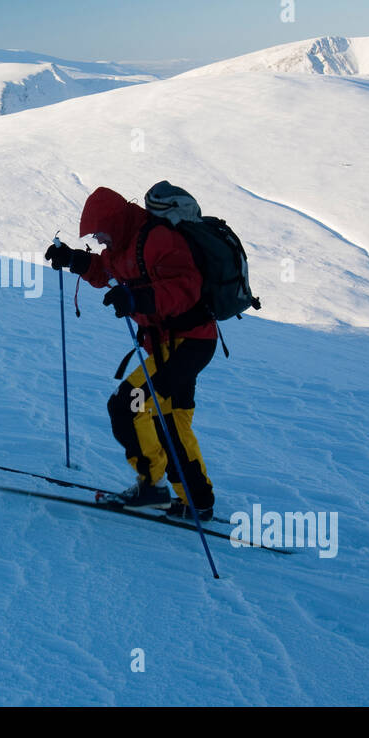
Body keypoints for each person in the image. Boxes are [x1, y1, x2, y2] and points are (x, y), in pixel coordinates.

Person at [45, 186, 217, 519]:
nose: (99, 240)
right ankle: (198, 501)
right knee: (170, 421)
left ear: (116, 221)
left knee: (127, 404)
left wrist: (139, 301)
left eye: (100, 232)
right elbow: (104, 271)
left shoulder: (156, 240)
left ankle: (151, 488)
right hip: (175, 345)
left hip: (188, 343)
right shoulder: (122, 245)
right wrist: (72, 259)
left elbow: (186, 287)